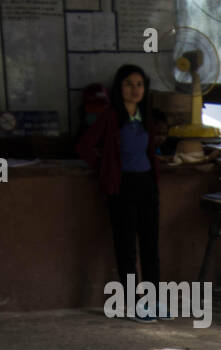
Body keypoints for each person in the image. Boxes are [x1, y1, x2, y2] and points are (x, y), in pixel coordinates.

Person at [77, 64, 161, 323]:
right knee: (127, 248)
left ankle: (151, 301)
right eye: (129, 84)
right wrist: (106, 167)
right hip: (122, 186)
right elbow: (84, 146)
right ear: (119, 88)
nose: (135, 89)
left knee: (150, 245)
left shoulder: (146, 115)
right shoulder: (110, 116)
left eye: (139, 84)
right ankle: (132, 304)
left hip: (147, 184)